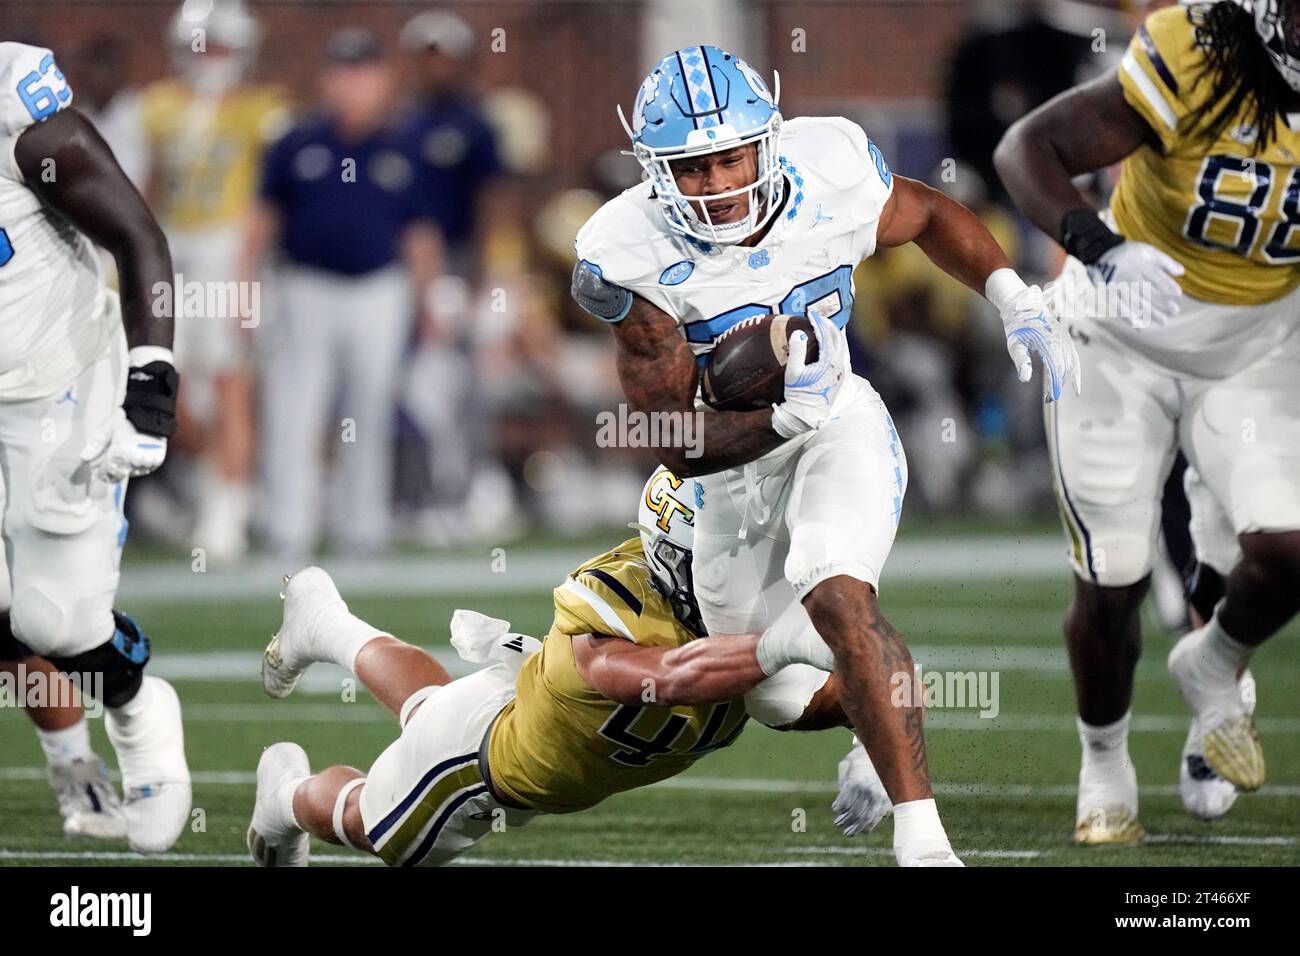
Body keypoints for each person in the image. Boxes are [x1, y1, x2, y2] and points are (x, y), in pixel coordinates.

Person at [570, 46, 1078, 868]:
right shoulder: (626, 251)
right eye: (691, 168)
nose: (717, 183)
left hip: (838, 422)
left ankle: (925, 842)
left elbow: (927, 214)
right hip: (729, 473)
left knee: (837, 594)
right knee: (777, 697)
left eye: (730, 157)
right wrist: (776, 415)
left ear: (767, 143)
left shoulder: (830, 165)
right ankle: (887, 697)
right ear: (655, 172)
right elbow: (669, 439)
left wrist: (1012, 295)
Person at [247, 467, 892, 867]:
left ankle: (324, 621)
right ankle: (282, 798)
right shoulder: (610, 610)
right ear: (676, 560)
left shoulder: (744, 616)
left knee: (432, 712)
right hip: (482, 766)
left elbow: (878, 685)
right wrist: (779, 651)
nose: (748, 567)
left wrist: (871, 753)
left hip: (521, 712)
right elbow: (665, 678)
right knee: (374, 827)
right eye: (729, 552)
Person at [994, 0, 1300, 841]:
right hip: (1119, 335)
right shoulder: (1197, 49)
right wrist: (1101, 244)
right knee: (1115, 576)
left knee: (1287, 547)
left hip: (1257, 346)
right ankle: (1104, 758)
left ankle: (1213, 663)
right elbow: (1027, 146)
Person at [0, 41, 190, 852]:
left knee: (56, 623)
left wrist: (151, 383)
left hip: (58, 380)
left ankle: (140, 709)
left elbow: (138, 235)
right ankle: (72, 765)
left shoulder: (19, 116)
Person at [242, 29, 442, 561]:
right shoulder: (296, 142)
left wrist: (426, 302)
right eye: (343, 74)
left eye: (364, 74)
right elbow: (263, 217)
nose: (353, 86)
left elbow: (420, 232)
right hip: (306, 286)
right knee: (294, 408)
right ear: (327, 79)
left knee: (369, 410)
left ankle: (363, 531)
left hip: (379, 289)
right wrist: (244, 285)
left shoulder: (404, 146)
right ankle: (287, 530)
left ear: (383, 81)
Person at [140, 0, 290, 561]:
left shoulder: (263, 110)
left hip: (230, 250)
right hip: (172, 248)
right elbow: (149, 188)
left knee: (230, 382)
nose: (214, 57)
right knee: (163, 383)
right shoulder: (158, 105)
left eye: (224, 46)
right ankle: (209, 487)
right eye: (206, 45)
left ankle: (228, 509)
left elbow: (271, 201)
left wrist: (253, 269)